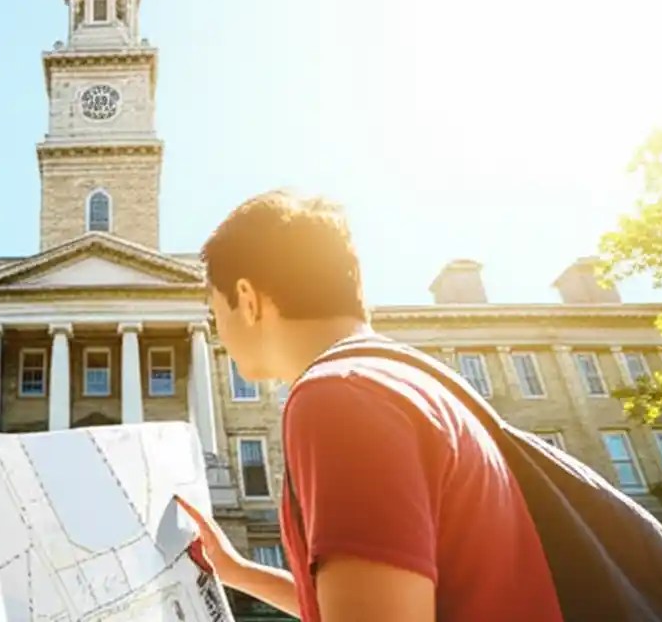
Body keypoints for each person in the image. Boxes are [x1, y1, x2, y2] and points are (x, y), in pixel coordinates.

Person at [174, 190, 562, 621]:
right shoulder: (405, 382)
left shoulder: (340, 397)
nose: (217, 331)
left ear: (247, 300)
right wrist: (239, 572)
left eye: (215, 312)